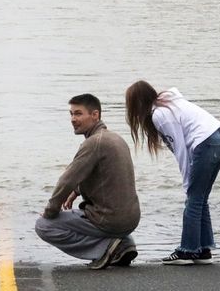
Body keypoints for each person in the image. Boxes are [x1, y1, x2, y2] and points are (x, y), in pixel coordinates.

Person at [124, 81, 220, 265]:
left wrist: (187, 180)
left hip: (206, 144)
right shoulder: (168, 104)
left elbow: (179, 148)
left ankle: (187, 251)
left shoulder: (160, 114)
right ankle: (203, 250)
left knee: (194, 198)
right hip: (219, 142)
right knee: (200, 199)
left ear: (138, 104)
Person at [36, 94, 141, 270]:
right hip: (131, 220)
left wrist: (50, 211)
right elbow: (104, 176)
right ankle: (123, 243)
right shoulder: (115, 138)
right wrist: (76, 191)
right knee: (81, 213)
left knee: (43, 226)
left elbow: (66, 180)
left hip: (110, 221)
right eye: (71, 114)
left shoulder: (94, 143)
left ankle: (105, 249)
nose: (73, 119)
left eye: (78, 114)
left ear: (95, 115)